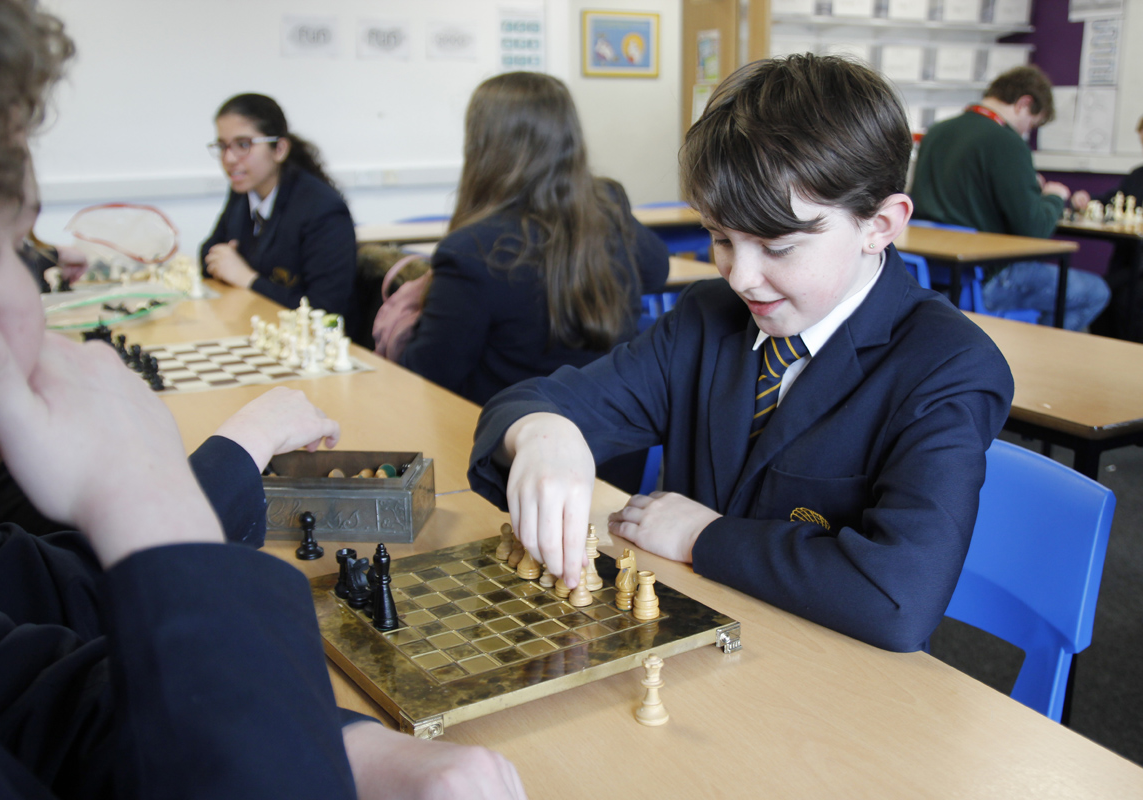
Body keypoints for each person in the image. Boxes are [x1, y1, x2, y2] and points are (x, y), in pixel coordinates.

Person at [0, 2, 526, 798]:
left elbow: (34, 693)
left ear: (276, 148)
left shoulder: (316, 205)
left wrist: (346, 746)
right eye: (17, 247)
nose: (34, 287)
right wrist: (147, 499)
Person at [467, 54, 1014, 653]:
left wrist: (706, 537)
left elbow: (897, 599)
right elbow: (528, 400)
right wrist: (544, 433)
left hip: (829, 677)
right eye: (721, 238)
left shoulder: (949, 367)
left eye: (777, 246)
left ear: (879, 224)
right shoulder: (707, 319)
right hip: (698, 640)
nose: (740, 277)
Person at [400, 71, 670, 407]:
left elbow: (428, 375)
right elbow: (657, 271)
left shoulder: (471, 251)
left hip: (514, 448)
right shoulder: (606, 204)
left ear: (480, 146)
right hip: (615, 444)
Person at [910, 65, 1110, 330]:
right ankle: (1046, 361)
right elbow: (1034, 228)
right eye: (1031, 124)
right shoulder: (1006, 141)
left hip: (929, 274)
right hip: (982, 278)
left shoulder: (937, 132)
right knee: (1095, 291)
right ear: (1024, 104)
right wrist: (1053, 197)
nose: (1025, 132)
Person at [200, 93, 359, 330]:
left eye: (243, 145)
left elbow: (325, 311)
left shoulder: (323, 210)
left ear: (280, 149)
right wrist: (229, 267)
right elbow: (208, 255)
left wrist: (247, 279)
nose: (229, 159)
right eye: (222, 146)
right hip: (255, 325)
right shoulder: (243, 191)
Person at [1073, 115, 1143, 341]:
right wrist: (1087, 200)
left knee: (1126, 302)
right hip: (1128, 265)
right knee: (1104, 297)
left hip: (1138, 271)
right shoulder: (1137, 175)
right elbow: (1111, 201)